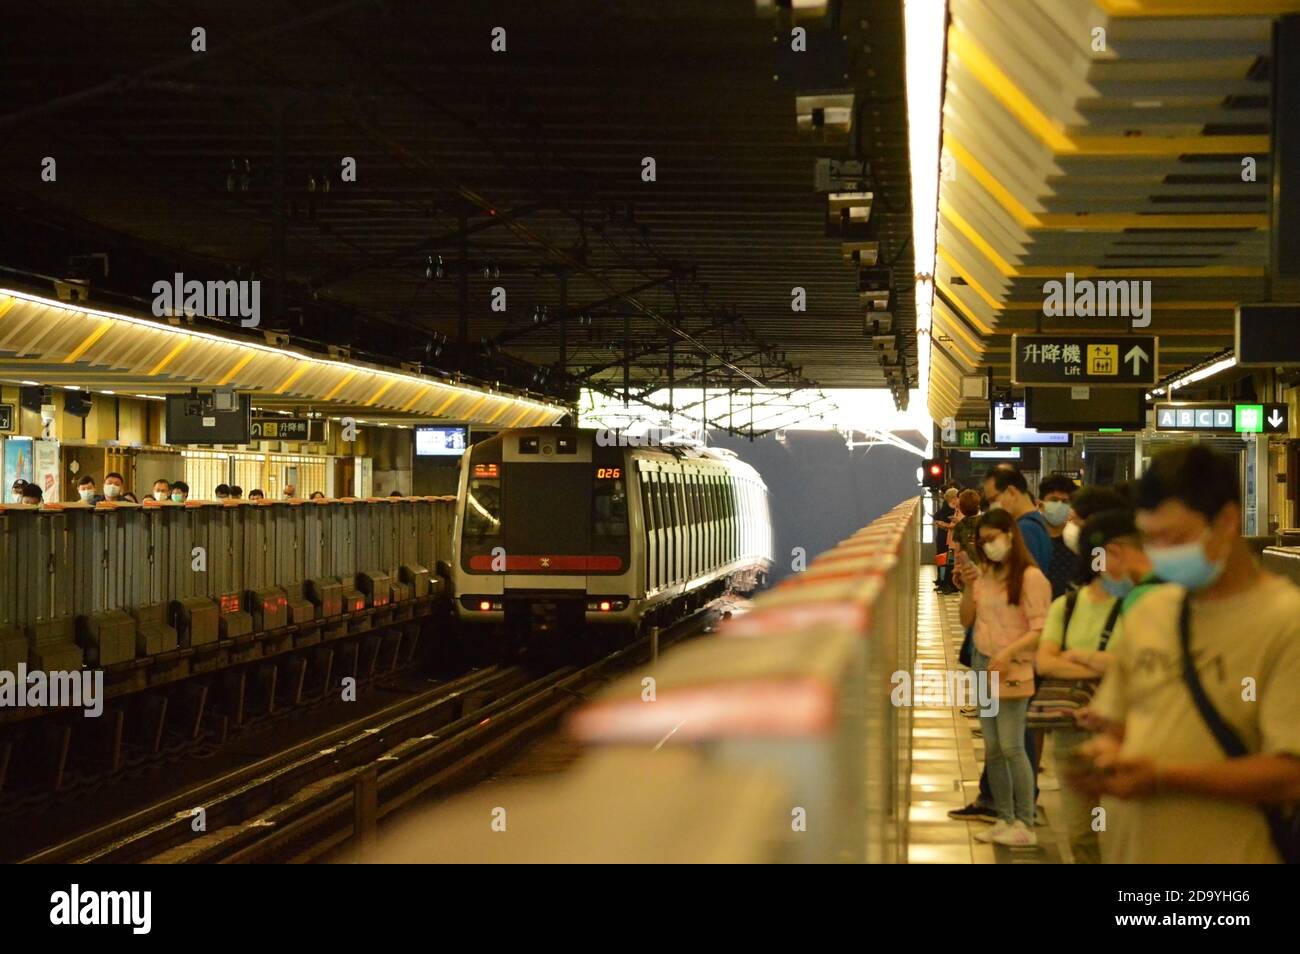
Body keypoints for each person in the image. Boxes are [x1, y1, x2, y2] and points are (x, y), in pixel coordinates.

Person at [1076, 445, 1300, 863]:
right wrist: (1101, 754)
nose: (1161, 552)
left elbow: (1291, 775)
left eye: (1175, 538)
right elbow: (1121, 723)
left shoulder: (1286, 623)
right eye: (1150, 537)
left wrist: (1163, 777)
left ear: (1228, 521)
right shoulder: (1150, 611)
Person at [1035, 507, 1135, 864]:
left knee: (1118, 835)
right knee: (1081, 835)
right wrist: (1107, 665)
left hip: (1124, 734)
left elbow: (1138, 668)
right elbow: (1044, 661)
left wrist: (1083, 658)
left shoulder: (1141, 607)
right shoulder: (1067, 605)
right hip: (1072, 733)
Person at [956, 508, 1051, 847]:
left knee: (1012, 746)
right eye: (983, 542)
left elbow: (1041, 628)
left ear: (1010, 535)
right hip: (984, 662)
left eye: (992, 539)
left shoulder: (1030, 578)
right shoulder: (985, 575)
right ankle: (1005, 817)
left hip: (1013, 666)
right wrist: (968, 587)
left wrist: (1009, 653)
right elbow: (967, 618)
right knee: (993, 748)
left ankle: (1025, 820)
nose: (988, 546)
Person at [983, 464, 1052, 572]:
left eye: (993, 500)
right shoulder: (1037, 522)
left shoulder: (1024, 530)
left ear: (1011, 492)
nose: (992, 507)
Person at [1037, 474, 1078, 599]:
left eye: (1065, 501)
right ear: (1040, 504)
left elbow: (1100, 569)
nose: (1059, 505)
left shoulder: (1078, 540)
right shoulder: (1032, 538)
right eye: (1054, 500)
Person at [934, 487, 959, 593]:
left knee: (946, 561)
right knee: (945, 561)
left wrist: (943, 525)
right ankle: (944, 581)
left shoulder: (946, 508)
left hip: (945, 537)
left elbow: (936, 517)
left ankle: (944, 581)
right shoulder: (955, 509)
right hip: (946, 538)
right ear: (953, 498)